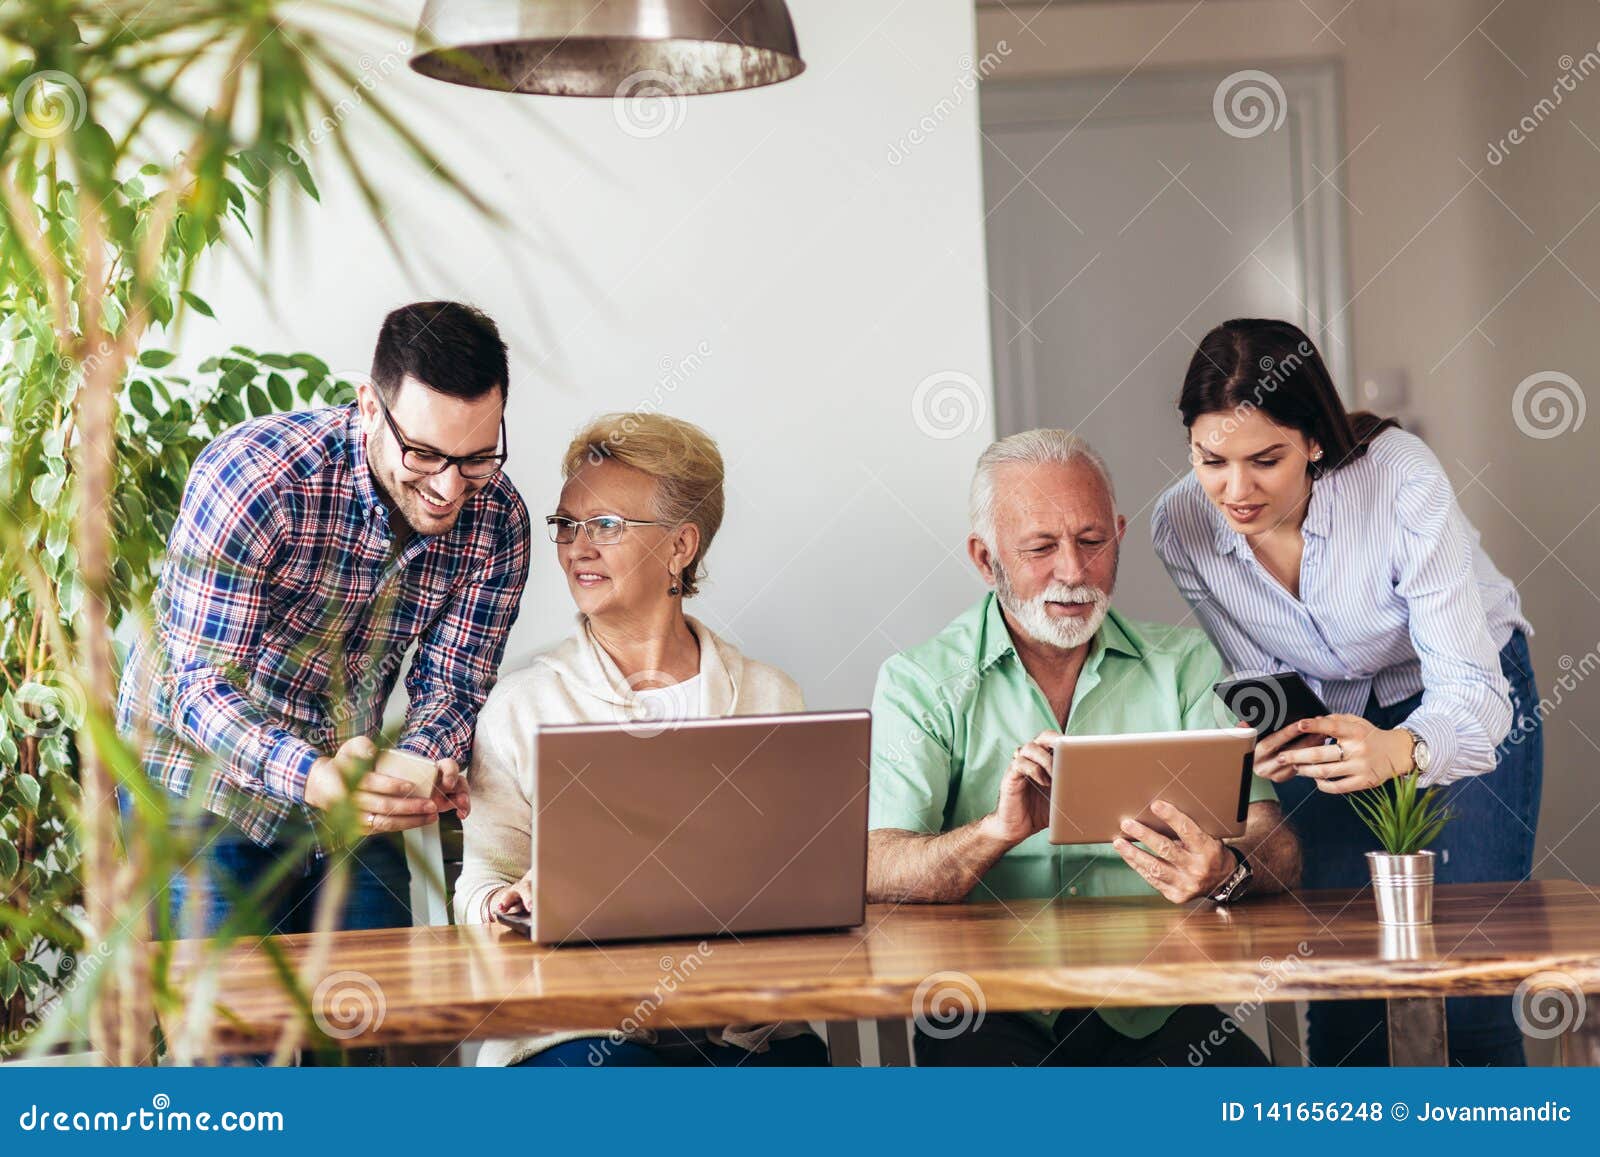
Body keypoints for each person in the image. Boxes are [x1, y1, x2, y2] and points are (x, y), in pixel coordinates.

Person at [1152, 317, 1540, 1067]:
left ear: (1315, 441)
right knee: (1339, 985)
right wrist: (1271, 740)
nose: (1237, 490)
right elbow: (1257, 672)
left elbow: (1474, 690)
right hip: (1329, 717)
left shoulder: (1401, 478)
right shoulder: (1182, 525)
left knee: (1469, 982)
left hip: (1459, 692)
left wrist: (1404, 746)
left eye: (1266, 459)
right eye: (1212, 460)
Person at [868, 428, 1301, 1067]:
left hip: (1159, 1005)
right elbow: (878, 870)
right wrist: (994, 832)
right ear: (986, 560)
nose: (1074, 572)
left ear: (1119, 535)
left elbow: (1278, 848)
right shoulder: (921, 681)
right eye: (1040, 548)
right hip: (988, 1009)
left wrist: (1226, 868)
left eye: (1093, 542)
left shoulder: (1184, 664)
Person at [117, 301, 530, 937]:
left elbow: (454, 687)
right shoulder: (256, 480)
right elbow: (194, 684)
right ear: (369, 407)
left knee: (378, 1010)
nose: (450, 488)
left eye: (476, 458)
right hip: (198, 781)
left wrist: (414, 769)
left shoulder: (498, 522)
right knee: (240, 1032)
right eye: (423, 454)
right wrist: (314, 776)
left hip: (346, 784)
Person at [456, 411, 829, 1068]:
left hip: (740, 1027)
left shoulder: (772, 698)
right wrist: (504, 901)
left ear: (681, 547)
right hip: (575, 1032)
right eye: (566, 525)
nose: (577, 547)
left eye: (605, 525)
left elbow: (802, 882)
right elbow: (484, 875)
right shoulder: (521, 704)